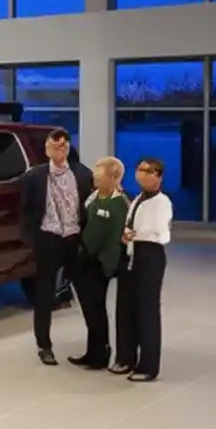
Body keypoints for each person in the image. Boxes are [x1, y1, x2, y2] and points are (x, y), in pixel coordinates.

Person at [20, 128, 94, 366]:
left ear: (69, 147)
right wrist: (32, 239)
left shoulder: (83, 174)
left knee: (87, 293)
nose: (59, 150)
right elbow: (26, 210)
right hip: (48, 239)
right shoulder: (34, 177)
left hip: (74, 240)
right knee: (43, 295)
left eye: (63, 146)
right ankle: (44, 346)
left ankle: (96, 346)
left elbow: (90, 208)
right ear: (47, 149)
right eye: (55, 146)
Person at [112, 157, 173, 382]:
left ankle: (148, 365)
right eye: (139, 169)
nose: (142, 174)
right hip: (131, 255)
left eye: (148, 171)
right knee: (127, 308)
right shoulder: (137, 198)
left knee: (147, 310)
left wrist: (135, 234)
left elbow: (160, 232)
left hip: (149, 256)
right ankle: (126, 357)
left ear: (158, 176)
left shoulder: (162, 201)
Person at [68, 156, 129, 370]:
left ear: (114, 178)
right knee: (89, 309)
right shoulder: (95, 197)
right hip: (85, 258)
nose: (95, 182)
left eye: (99, 178)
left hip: (98, 263)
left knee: (96, 308)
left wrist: (107, 267)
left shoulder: (119, 204)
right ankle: (92, 351)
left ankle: (100, 354)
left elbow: (113, 239)